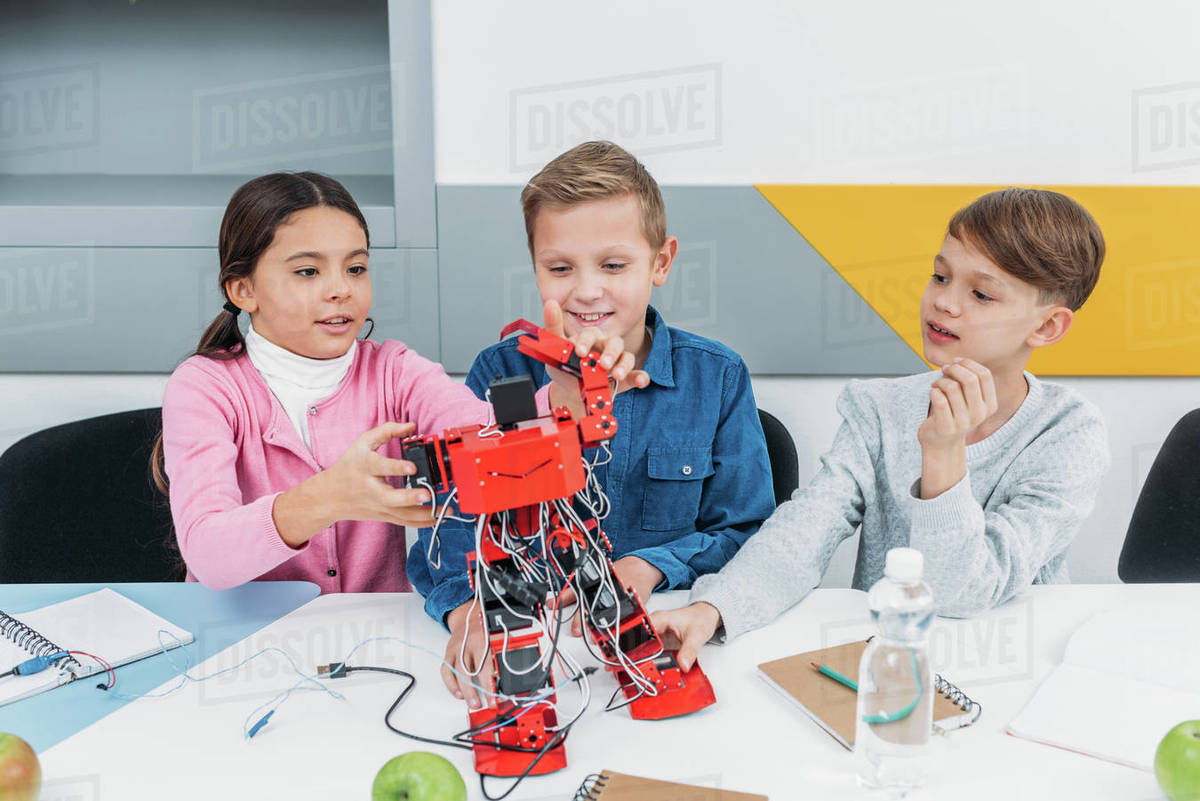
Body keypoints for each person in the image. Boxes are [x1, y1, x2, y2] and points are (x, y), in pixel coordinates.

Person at [651, 188, 1111, 670]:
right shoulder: (878, 407)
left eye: (980, 294)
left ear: (1047, 328)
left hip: (1014, 661)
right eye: (939, 276)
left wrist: (944, 453)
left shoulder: (1068, 433)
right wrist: (713, 607)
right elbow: (806, 530)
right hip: (887, 660)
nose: (944, 302)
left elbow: (956, 593)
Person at [155, 171, 645, 593]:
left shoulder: (394, 370)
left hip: (374, 642)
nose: (340, 289)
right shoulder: (205, 387)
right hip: (237, 647)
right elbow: (209, 553)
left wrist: (566, 391)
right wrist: (328, 498)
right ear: (244, 290)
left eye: (356, 267)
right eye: (307, 271)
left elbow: (488, 433)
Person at [414, 142, 775, 706]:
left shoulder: (718, 378)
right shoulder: (499, 373)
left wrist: (651, 566)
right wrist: (467, 615)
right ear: (534, 266)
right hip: (528, 644)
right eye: (560, 268)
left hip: (660, 629)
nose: (584, 290)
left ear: (660, 261)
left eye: (613, 264)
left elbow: (749, 532)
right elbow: (446, 530)